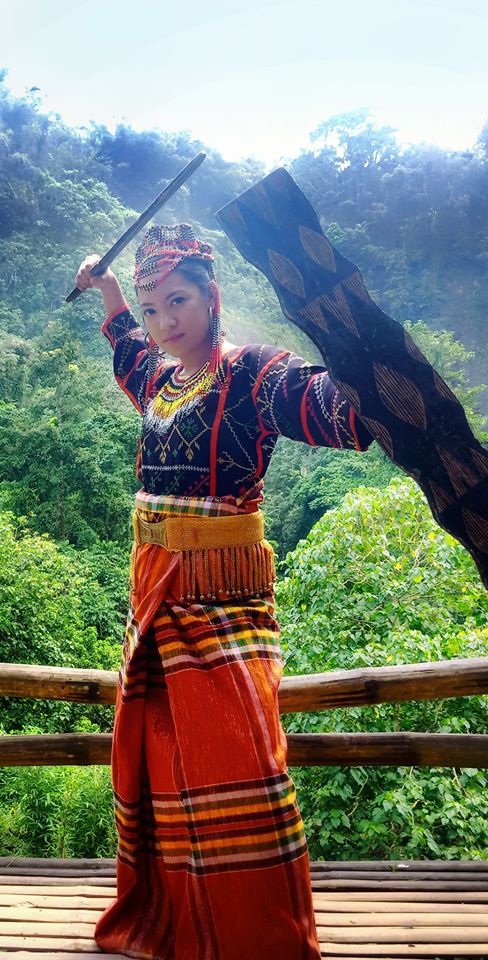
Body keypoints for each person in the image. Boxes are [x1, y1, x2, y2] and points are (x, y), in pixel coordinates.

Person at [74, 224, 372, 960]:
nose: (165, 321)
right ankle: (178, 917)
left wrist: (366, 360)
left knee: (238, 760)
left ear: (213, 297)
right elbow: (127, 352)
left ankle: (256, 936)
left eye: (178, 301)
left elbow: (333, 411)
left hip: (221, 598)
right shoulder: (160, 377)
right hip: (155, 592)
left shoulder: (254, 373)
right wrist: (110, 294)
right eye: (152, 308)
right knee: (161, 757)